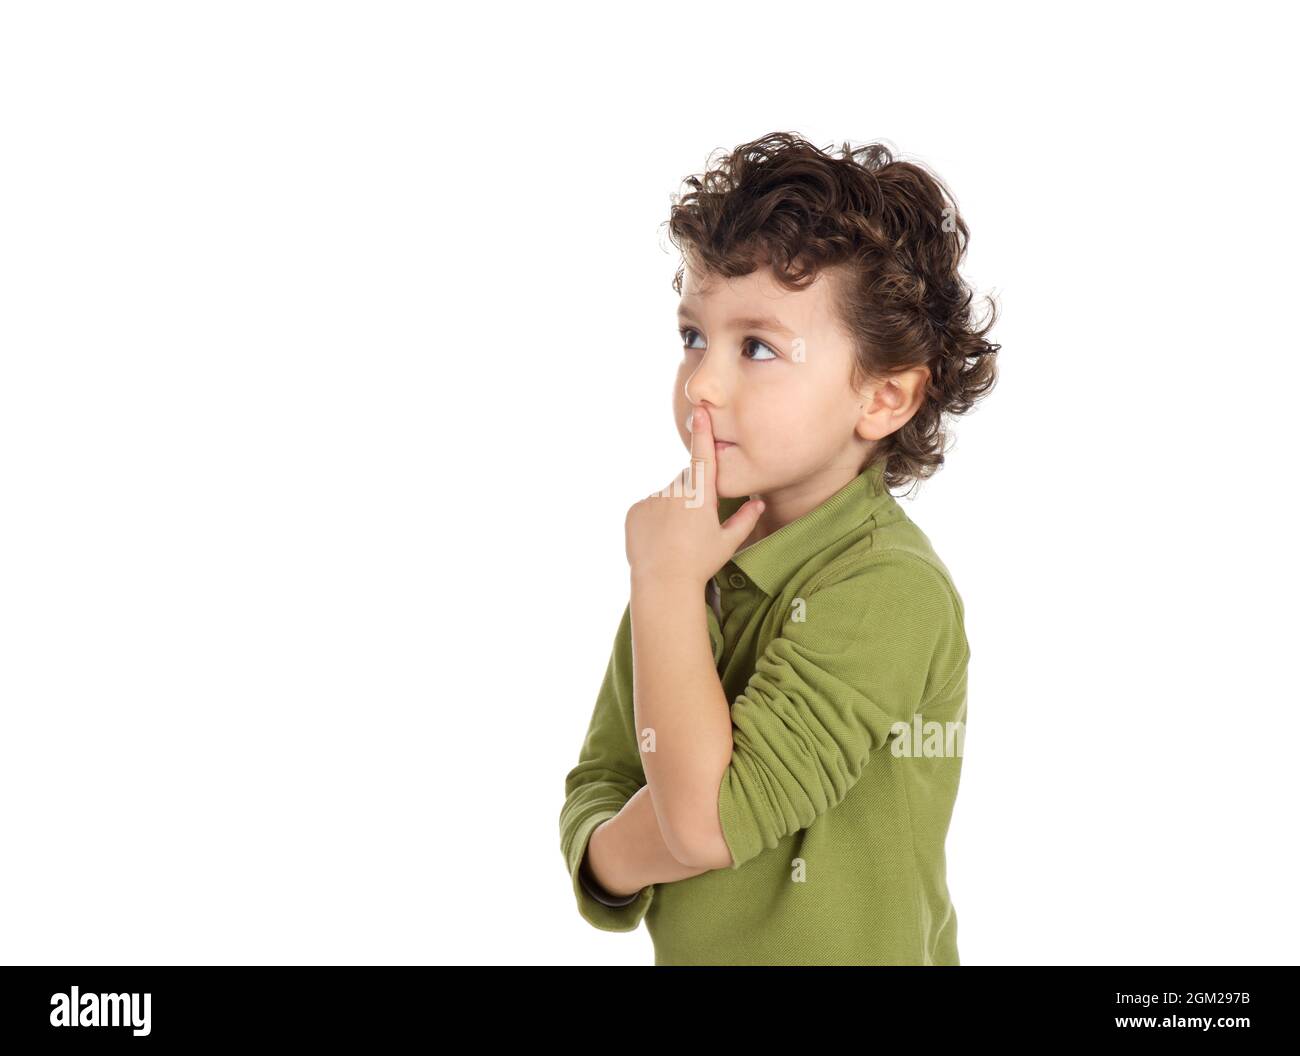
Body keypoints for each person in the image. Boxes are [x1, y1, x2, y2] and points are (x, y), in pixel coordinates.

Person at [559, 131, 1000, 965]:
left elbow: (703, 817)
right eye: (694, 337)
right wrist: (635, 845)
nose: (702, 386)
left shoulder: (889, 587)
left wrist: (660, 585)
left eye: (756, 348)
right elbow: (602, 795)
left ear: (884, 395)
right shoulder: (690, 556)